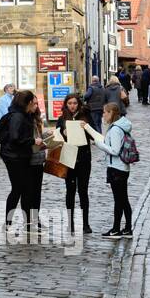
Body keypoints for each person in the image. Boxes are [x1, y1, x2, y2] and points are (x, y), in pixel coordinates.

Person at [0, 90, 47, 234]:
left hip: (22, 157)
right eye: (33, 103)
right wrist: (34, 141)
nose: (35, 105)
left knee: (25, 189)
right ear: (26, 103)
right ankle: (8, 222)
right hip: (15, 158)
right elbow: (15, 137)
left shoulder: (25, 115)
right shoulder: (18, 117)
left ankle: (28, 223)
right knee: (18, 189)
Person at [84, 101, 134, 237]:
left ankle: (117, 228)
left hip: (117, 168)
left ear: (111, 113)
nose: (103, 116)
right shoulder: (116, 127)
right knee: (123, 199)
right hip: (119, 168)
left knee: (120, 200)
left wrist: (100, 145)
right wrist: (88, 128)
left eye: (105, 113)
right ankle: (126, 228)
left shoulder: (116, 129)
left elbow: (115, 150)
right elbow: (106, 141)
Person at [57, 93, 93, 234]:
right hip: (69, 158)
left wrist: (86, 128)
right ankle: (70, 222)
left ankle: (85, 223)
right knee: (70, 191)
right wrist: (63, 132)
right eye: (70, 103)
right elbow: (58, 137)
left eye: (75, 103)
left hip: (83, 158)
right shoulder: (62, 119)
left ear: (79, 104)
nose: (72, 106)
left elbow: (94, 134)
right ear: (66, 104)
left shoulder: (86, 117)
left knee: (83, 191)